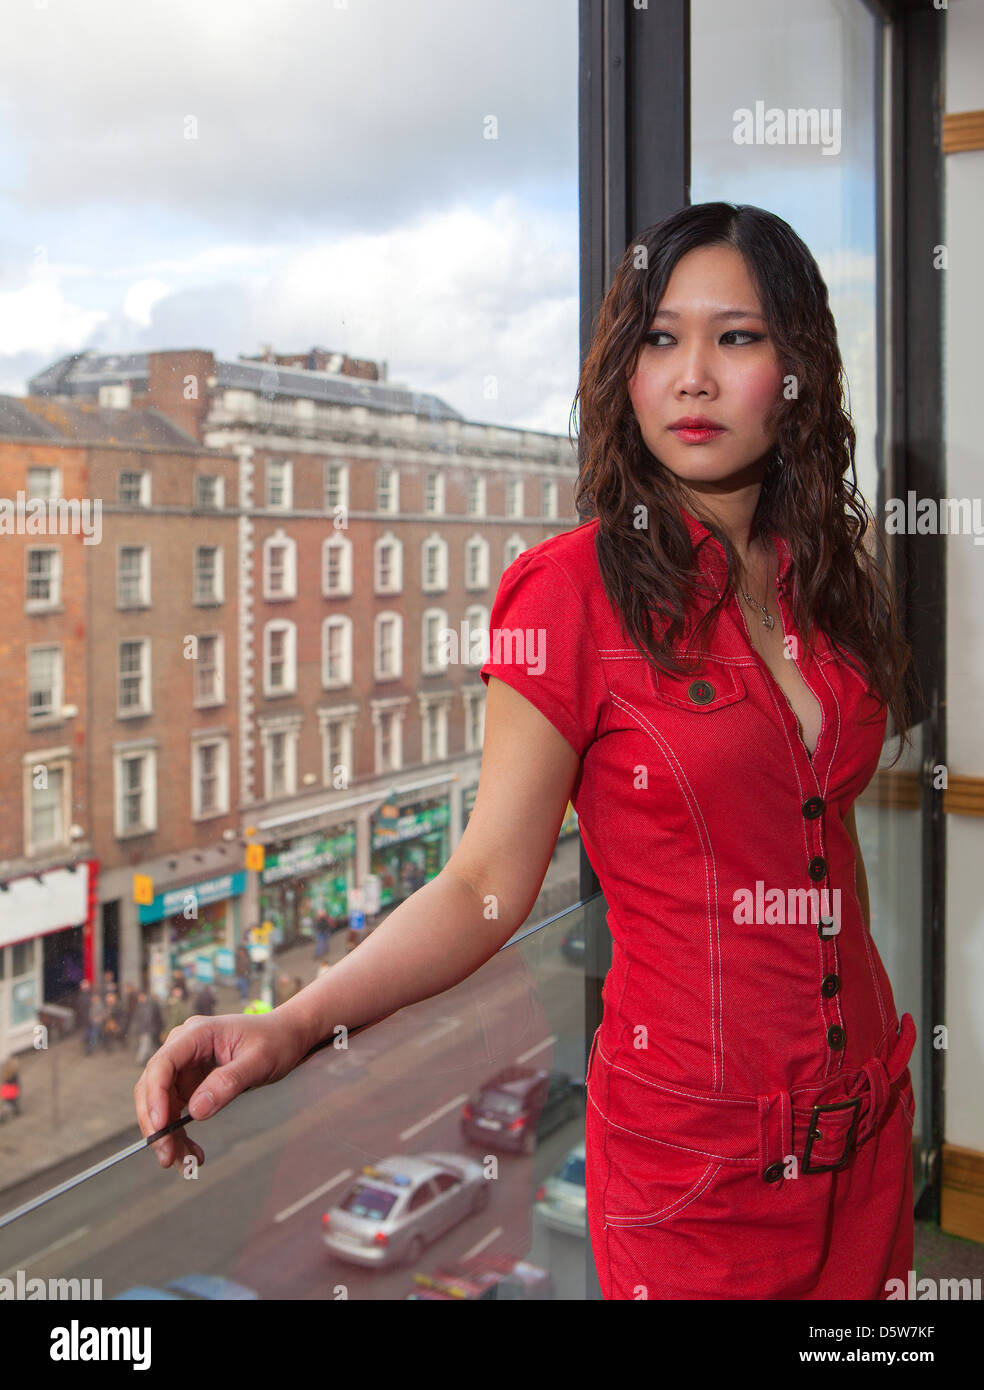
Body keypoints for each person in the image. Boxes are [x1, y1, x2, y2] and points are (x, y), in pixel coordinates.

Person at [133, 202, 919, 1303]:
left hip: (872, 1132)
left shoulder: (827, 576)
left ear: (796, 369)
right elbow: (484, 885)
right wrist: (293, 1021)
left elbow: (815, 840)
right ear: (623, 371)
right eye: (660, 338)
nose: (694, 374)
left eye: (737, 337)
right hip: (703, 1176)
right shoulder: (567, 592)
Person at [132, 991, 164, 1068]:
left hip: (147, 1028)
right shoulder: (143, 1005)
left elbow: (148, 1018)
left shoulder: (148, 1005)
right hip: (148, 1028)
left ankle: (140, 1060)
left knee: (145, 1044)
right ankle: (156, 1059)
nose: (139, 999)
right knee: (150, 1045)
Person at [0, 1056, 21, 1121]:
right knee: (11, 1104)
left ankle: (5, 1114)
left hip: (6, 1091)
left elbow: (4, 1083)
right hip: (13, 1091)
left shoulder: (6, 1072)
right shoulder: (15, 1075)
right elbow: (17, 1084)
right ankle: (3, 1116)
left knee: (7, 1104)